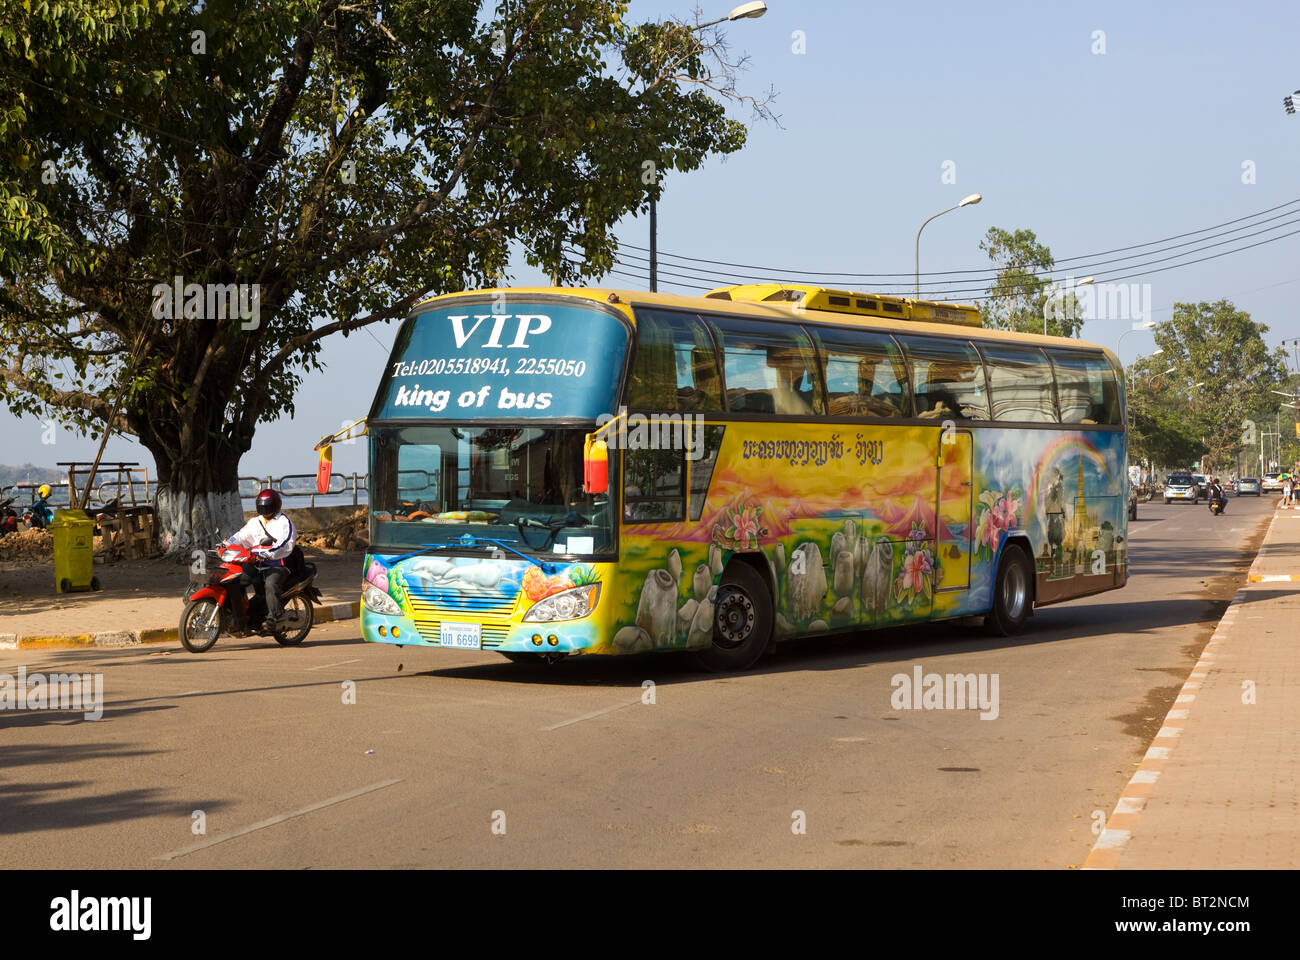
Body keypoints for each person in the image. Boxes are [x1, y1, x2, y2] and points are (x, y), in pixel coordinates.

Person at [223, 489, 296, 631]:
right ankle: (239, 616)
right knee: (233, 579)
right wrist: (225, 544)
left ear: (276, 506)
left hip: (277, 563)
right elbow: (240, 537)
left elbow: (285, 543)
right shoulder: (255, 522)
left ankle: (275, 617)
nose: (265, 510)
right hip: (256, 563)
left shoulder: (284, 523)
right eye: (262, 507)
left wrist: (268, 553)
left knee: (270, 584)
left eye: (268, 507)